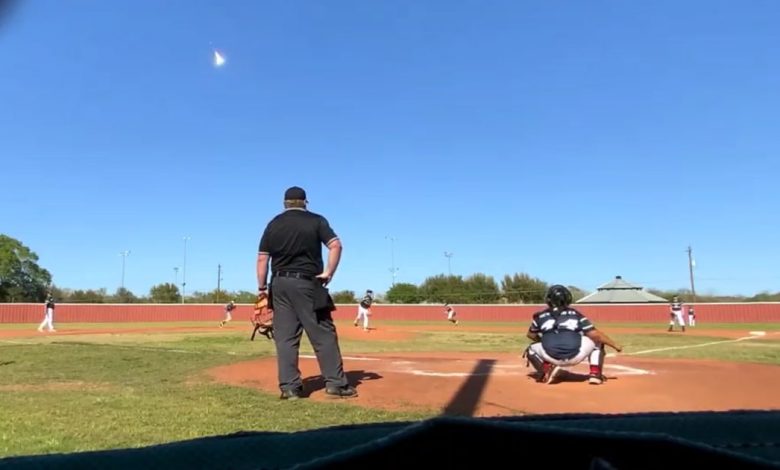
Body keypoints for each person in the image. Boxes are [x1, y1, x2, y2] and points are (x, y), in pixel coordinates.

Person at [256, 186, 357, 400]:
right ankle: (336, 385)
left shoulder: (273, 224)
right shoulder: (316, 221)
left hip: (279, 284)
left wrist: (262, 289)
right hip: (307, 283)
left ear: (285, 203)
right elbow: (336, 245)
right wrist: (328, 272)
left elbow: (262, 258)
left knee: (285, 337)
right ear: (305, 202)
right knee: (323, 333)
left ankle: (289, 388)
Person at [524, 285, 622, 385]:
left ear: (549, 299)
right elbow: (595, 335)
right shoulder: (575, 314)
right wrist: (615, 345)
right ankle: (595, 374)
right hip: (575, 356)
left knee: (531, 349)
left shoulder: (540, 316)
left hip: (550, 356)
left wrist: (544, 342)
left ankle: (545, 371)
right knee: (597, 340)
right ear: (568, 298)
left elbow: (531, 335)